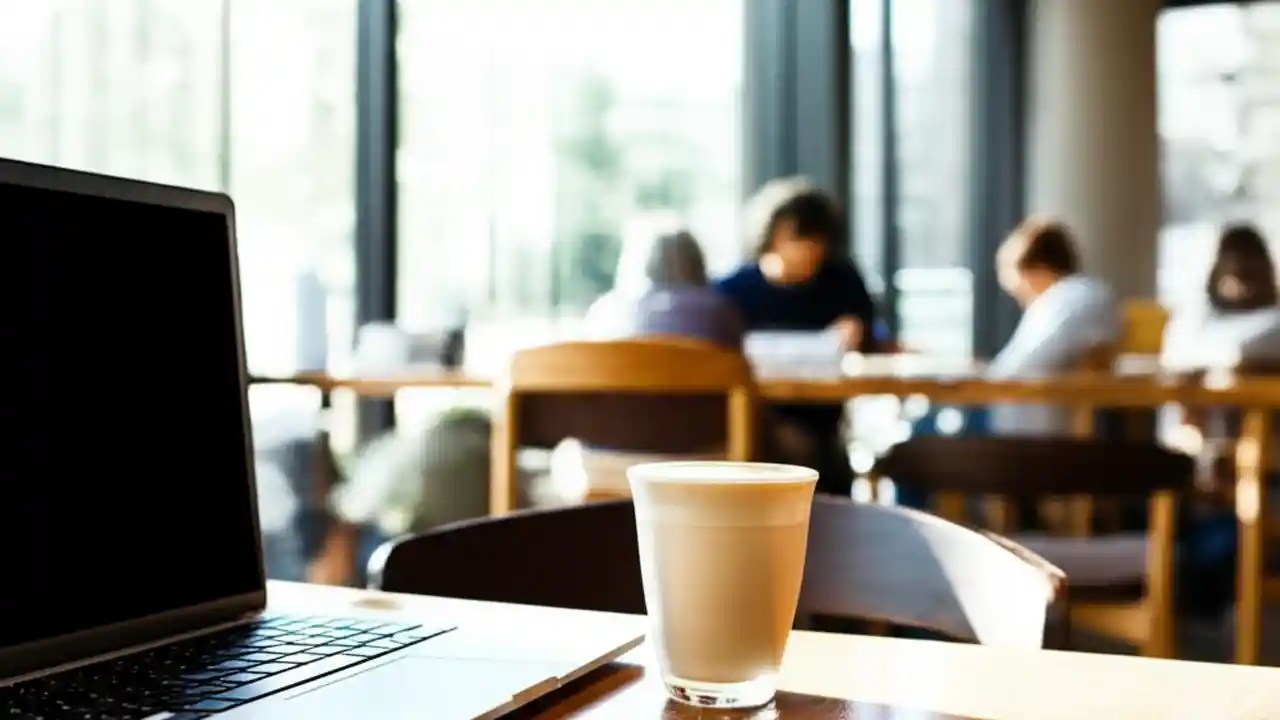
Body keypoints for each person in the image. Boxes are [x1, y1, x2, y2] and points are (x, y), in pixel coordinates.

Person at [715, 178, 877, 496]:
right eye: (798, 237)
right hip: (756, 418)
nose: (808, 250)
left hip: (826, 418)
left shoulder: (842, 282)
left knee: (826, 465)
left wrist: (859, 335)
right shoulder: (732, 290)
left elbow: (874, 341)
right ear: (771, 236)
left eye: (816, 240)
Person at [987, 217, 1120, 435]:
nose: (1019, 295)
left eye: (1017, 282)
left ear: (1037, 269)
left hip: (1037, 433)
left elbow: (1024, 365)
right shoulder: (1083, 295)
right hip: (1044, 425)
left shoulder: (1069, 299)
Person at [585, 227, 744, 349]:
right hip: (695, 390)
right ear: (698, 262)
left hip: (624, 389)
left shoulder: (605, 312)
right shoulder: (719, 311)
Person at [1162, 224, 1280, 371]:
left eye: (1247, 271)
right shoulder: (1195, 316)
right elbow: (1174, 356)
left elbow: (1240, 353)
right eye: (1229, 265)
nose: (1237, 284)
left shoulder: (1273, 323)